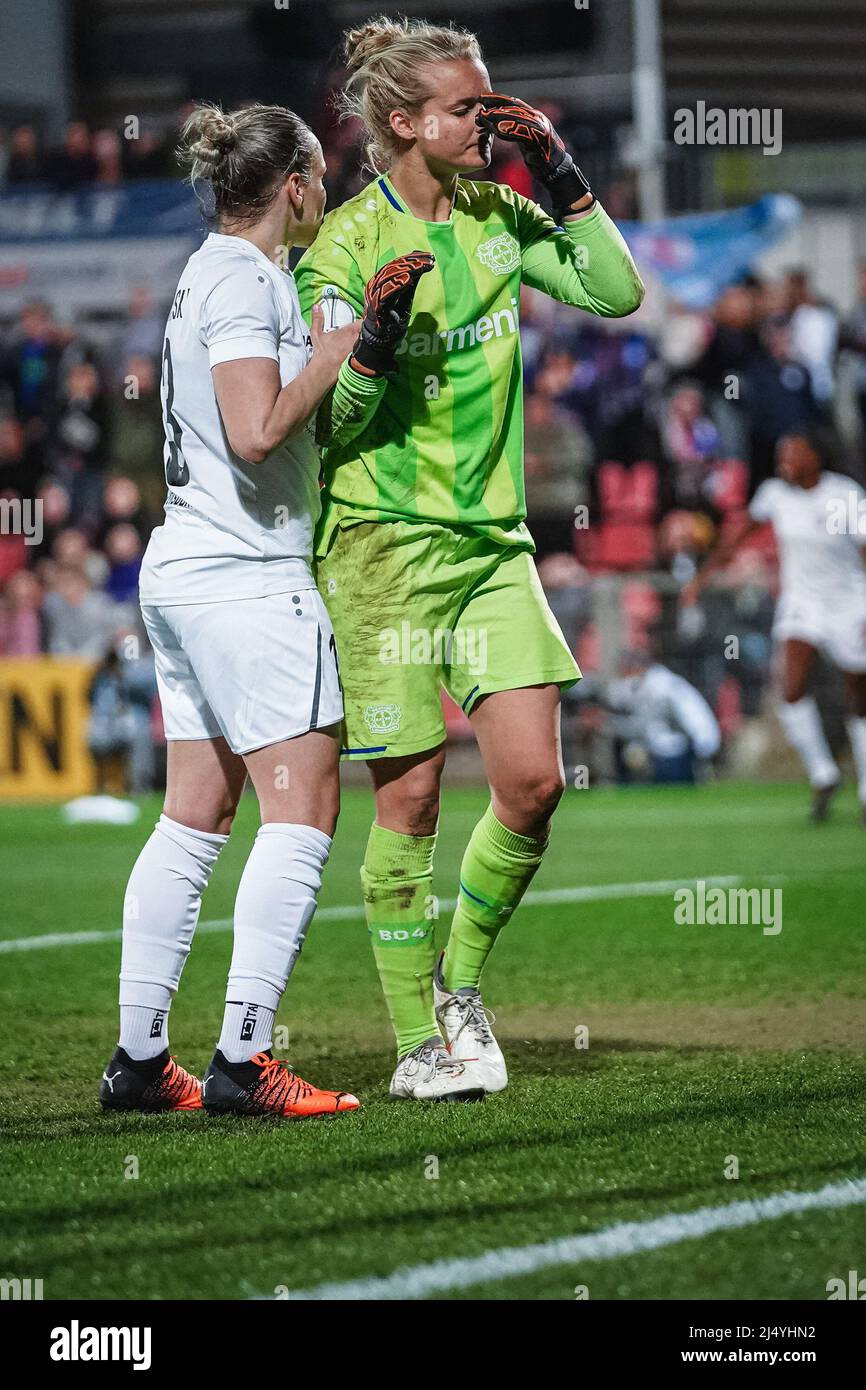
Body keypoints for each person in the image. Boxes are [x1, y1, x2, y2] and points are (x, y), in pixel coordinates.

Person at [295, 15, 644, 1101]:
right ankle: (415, 1047)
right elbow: (331, 427)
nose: (487, 121)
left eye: (494, 103)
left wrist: (563, 172)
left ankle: (456, 987)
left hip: (492, 547)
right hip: (381, 553)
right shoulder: (343, 247)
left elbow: (612, 290)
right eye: (465, 107)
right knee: (408, 809)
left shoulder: (500, 212)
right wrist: (377, 347)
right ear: (401, 123)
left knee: (533, 783)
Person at [99, 100, 380, 1120]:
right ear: (295, 185)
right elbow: (256, 429)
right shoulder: (245, 275)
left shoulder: (202, 271)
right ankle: (245, 1059)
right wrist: (336, 349)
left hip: (187, 567)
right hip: (247, 576)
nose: (330, 187)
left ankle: (139, 1062)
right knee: (300, 813)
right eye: (323, 171)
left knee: (194, 816)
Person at [683, 429, 866, 823]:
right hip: (801, 603)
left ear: (816, 457)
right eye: (782, 453)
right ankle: (823, 773)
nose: (785, 460)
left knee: (859, 695)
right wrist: (702, 578)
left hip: (849, 603)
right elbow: (738, 535)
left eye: (794, 453)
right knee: (792, 688)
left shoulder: (843, 495)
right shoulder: (774, 495)